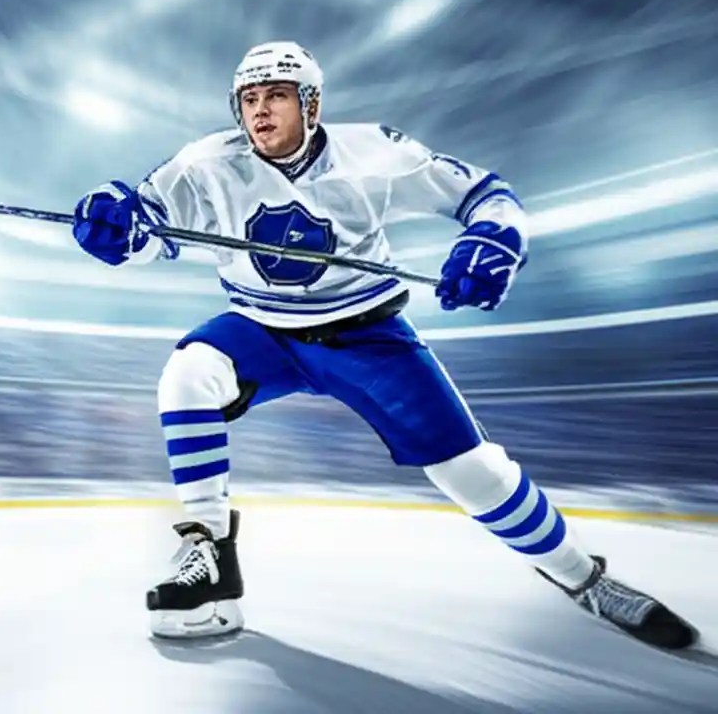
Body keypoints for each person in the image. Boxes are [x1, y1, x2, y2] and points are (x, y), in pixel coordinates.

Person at [71, 41, 697, 649]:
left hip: (366, 334)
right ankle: (207, 550)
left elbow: (485, 194)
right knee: (187, 373)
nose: (261, 111)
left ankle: (585, 580)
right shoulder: (207, 161)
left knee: (474, 473)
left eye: (278, 96)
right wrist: (114, 225)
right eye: (250, 99)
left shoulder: (374, 152)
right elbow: (145, 225)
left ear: (312, 104)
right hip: (262, 329)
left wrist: (494, 241)